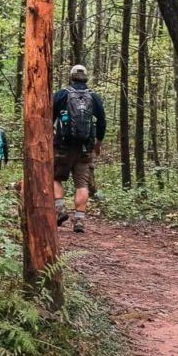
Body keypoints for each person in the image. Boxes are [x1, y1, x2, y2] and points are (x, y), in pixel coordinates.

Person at [52, 64, 106, 233]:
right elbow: (102, 122)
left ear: (71, 77)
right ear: (86, 78)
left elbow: (49, 118)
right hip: (85, 147)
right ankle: (79, 221)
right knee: (82, 184)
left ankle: (60, 209)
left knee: (54, 177)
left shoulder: (61, 95)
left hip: (63, 145)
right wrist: (98, 143)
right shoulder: (94, 97)